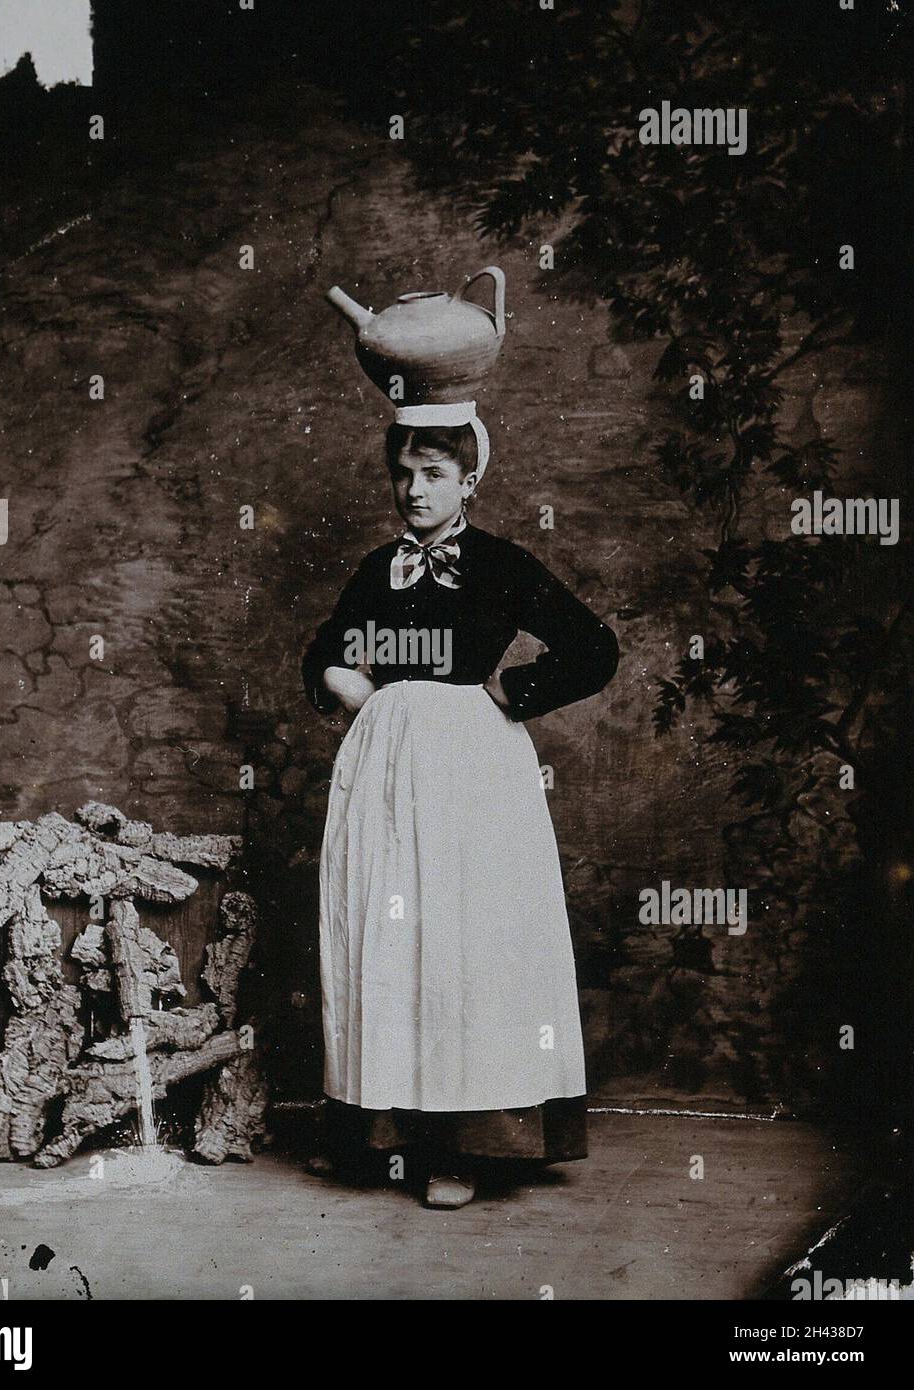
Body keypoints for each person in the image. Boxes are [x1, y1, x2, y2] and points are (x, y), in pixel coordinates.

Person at [301, 419, 619, 1208]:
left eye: (435, 474)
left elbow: (592, 648)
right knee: (383, 932)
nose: (416, 491)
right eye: (405, 476)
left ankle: (463, 1148)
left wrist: (505, 695)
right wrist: (342, 680)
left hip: (469, 766)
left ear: (468, 482)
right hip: (381, 765)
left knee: (461, 940)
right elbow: (323, 651)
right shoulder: (378, 569)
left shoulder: (502, 565)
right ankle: (376, 1136)